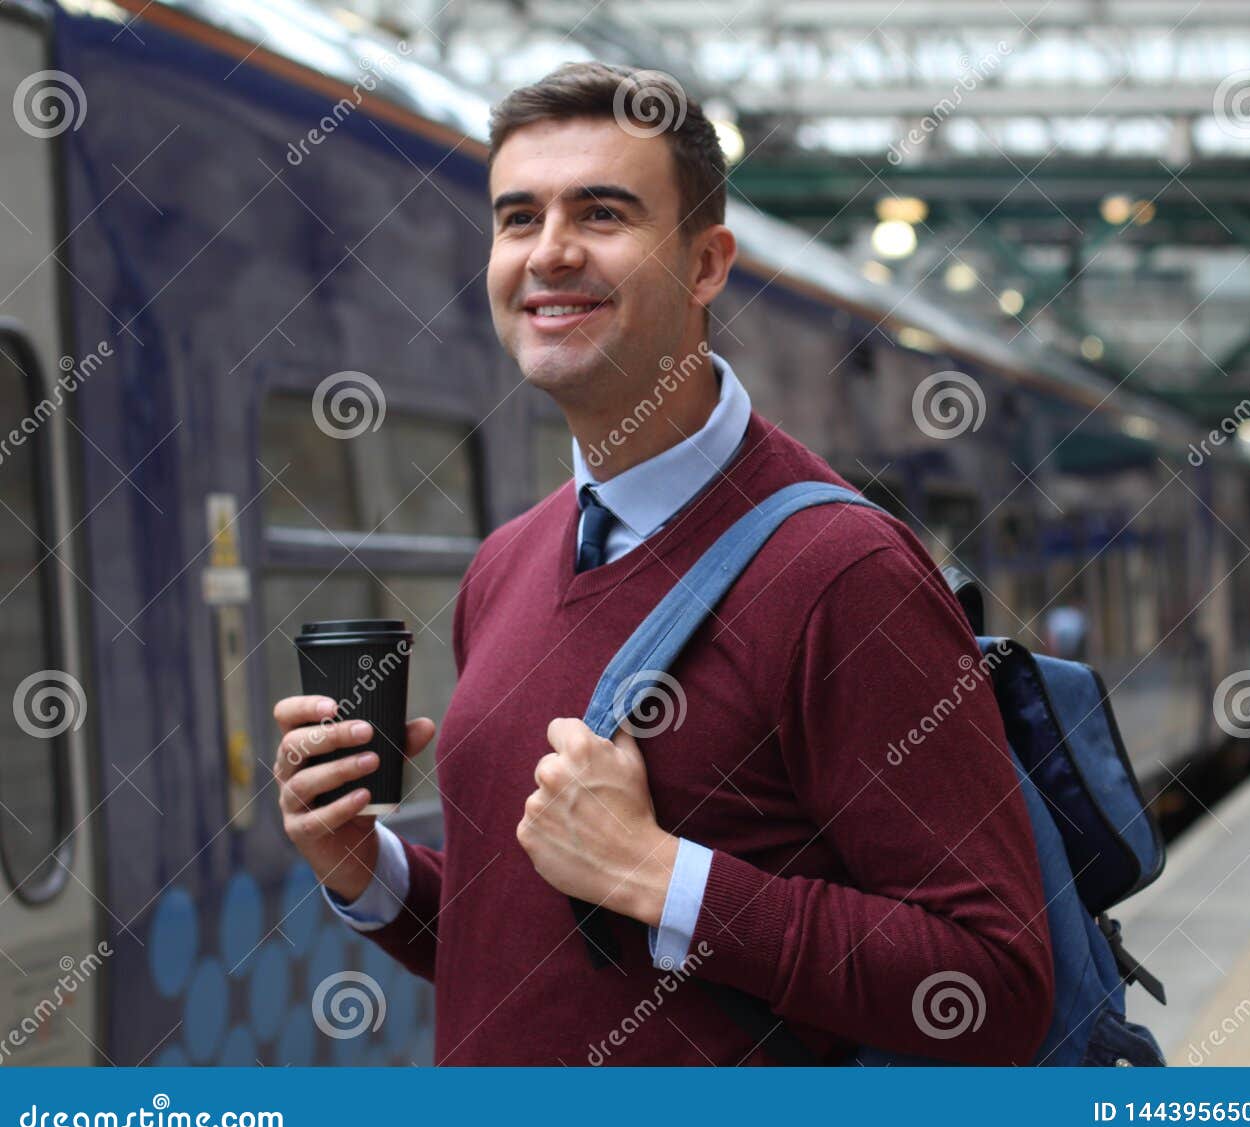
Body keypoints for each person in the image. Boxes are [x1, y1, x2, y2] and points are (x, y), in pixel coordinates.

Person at [271, 62, 1052, 1066]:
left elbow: (996, 986)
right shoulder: (506, 563)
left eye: (601, 213)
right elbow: (534, 953)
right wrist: (362, 865)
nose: (548, 252)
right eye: (517, 218)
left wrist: (662, 874)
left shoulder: (843, 572)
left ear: (705, 265)